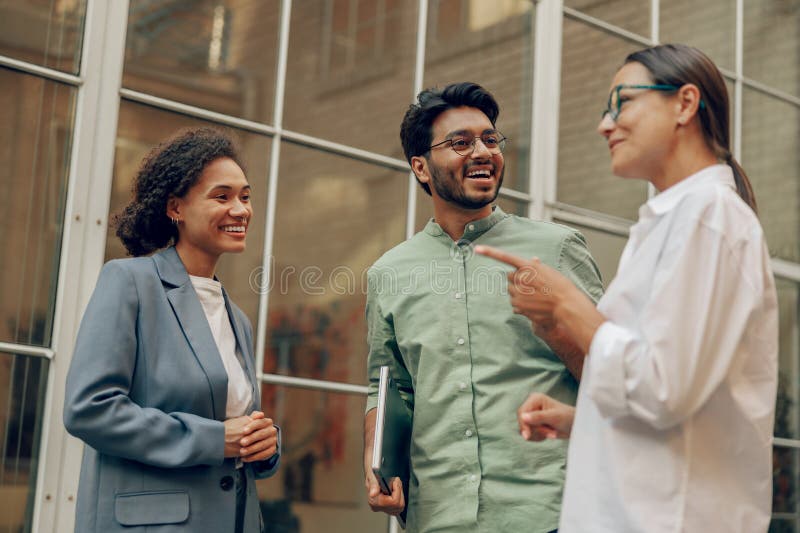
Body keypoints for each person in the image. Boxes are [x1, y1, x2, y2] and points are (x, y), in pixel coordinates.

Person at [476, 44, 778, 532]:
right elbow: (681, 401)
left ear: (684, 103)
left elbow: (663, 386)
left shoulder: (711, 218)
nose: (604, 124)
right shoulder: (672, 222)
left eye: (623, 103)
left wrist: (569, 307)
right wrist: (583, 419)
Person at [363, 82, 604, 532]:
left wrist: (556, 326)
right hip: (437, 517)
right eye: (461, 142)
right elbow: (385, 386)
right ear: (421, 166)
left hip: (548, 513)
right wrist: (374, 460)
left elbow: (613, 374)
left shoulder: (557, 249)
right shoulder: (388, 273)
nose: (482, 151)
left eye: (490, 139)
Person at [63, 127, 280, 533]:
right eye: (222, 196)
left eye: (245, 196)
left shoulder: (238, 318)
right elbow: (89, 408)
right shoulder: (130, 282)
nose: (240, 209)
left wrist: (263, 444)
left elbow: (233, 423)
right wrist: (215, 440)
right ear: (176, 208)